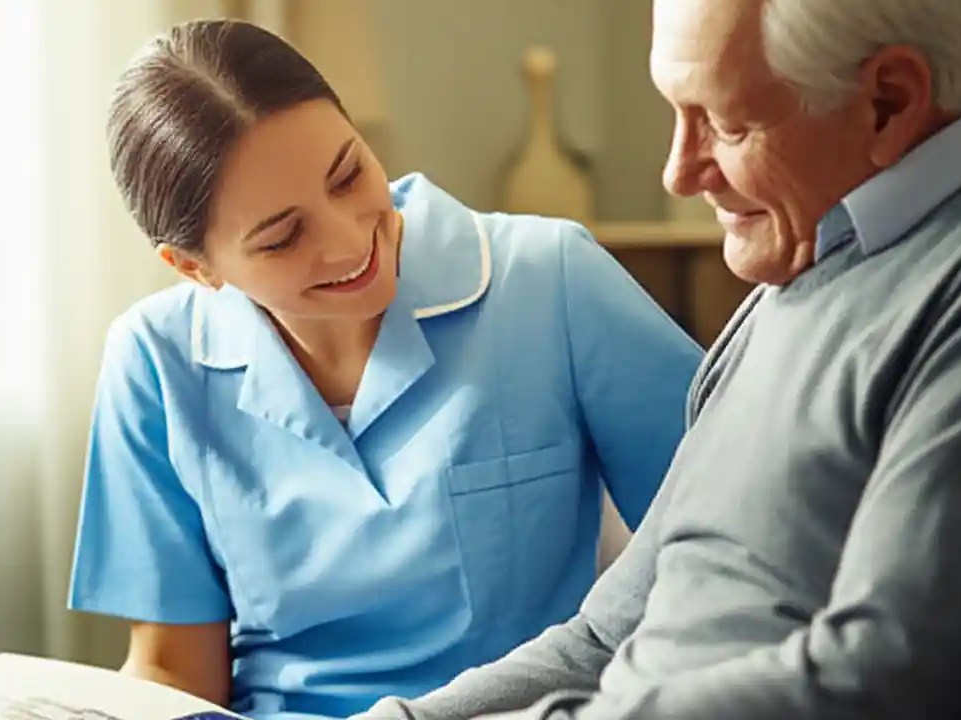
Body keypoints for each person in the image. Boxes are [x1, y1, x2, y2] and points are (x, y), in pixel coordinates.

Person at [356, 0, 961, 718]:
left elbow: (881, 675)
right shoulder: (805, 264)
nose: (679, 173)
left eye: (725, 123)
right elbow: (604, 638)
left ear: (889, 101)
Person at [66, 19, 703, 720]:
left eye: (348, 175)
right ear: (194, 267)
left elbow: (727, 542)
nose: (349, 244)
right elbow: (176, 670)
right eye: (283, 237)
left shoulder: (547, 279)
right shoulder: (153, 363)